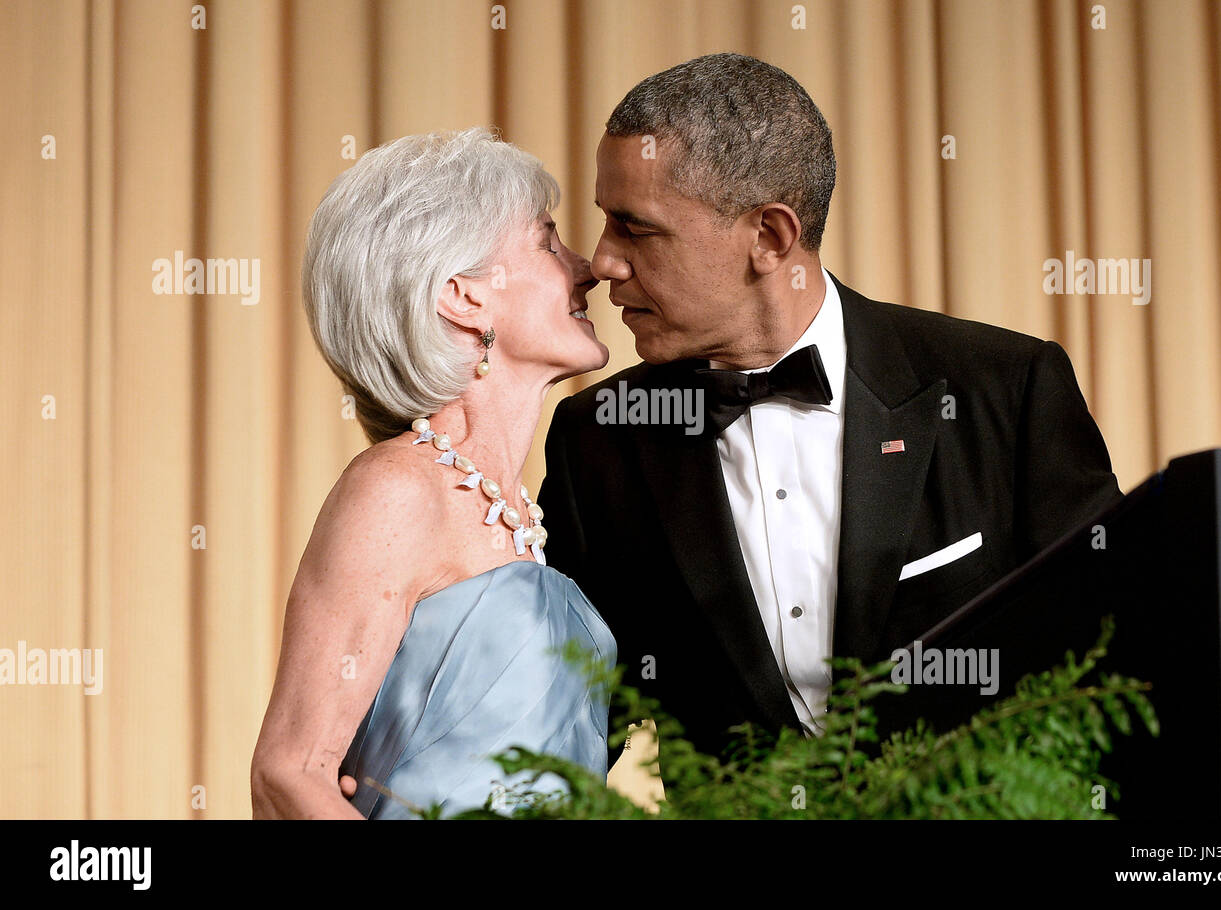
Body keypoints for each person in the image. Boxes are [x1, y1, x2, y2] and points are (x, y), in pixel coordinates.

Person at [537, 53, 1124, 769]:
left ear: (770, 237)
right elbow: (573, 722)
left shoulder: (1007, 389)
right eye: (604, 223)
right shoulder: (594, 440)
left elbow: (1113, 668)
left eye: (636, 228)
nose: (602, 262)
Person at [251, 127, 615, 819]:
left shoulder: (528, 516)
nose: (587, 266)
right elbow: (287, 775)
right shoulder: (395, 491)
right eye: (546, 239)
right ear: (463, 296)